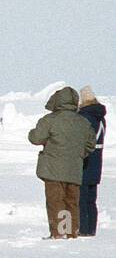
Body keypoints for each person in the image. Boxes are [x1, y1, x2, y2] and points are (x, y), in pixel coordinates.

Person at [28, 86, 96, 239]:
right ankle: (71, 233)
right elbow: (91, 144)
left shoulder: (50, 120)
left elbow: (35, 138)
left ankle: (59, 233)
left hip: (53, 169)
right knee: (72, 202)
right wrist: (78, 154)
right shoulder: (83, 122)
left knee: (56, 201)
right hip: (74, 169)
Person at [77, 85, 105, 237]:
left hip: (86, 161)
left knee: (82, 197)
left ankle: (84, 228)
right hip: (97, 161)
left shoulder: (85, 117)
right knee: (91, 199)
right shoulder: (100, 117)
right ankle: (91, 229)